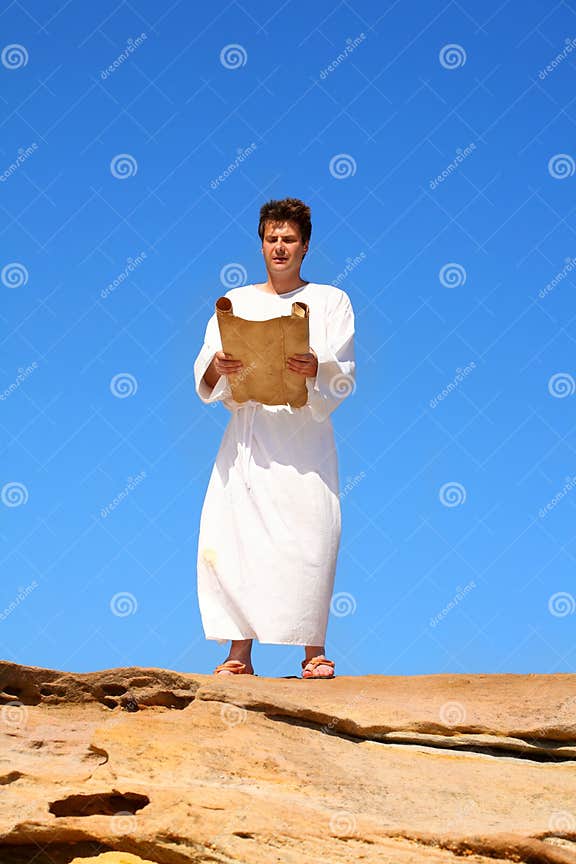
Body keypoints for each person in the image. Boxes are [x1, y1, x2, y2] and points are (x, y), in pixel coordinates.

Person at [193, 197, 355, 679]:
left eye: (288, 239)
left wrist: (317, 365)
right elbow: (205, 373)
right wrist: (219, 367)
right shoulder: (236, 301)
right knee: (235, 537)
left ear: (305, 245)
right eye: (271, 239)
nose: (279, 247)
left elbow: (344, 374)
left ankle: (313, 653)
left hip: (304, 439)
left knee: (312, 537)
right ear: (261, 244)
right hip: (248, 438)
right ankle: (238, 656)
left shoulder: (331, 300)